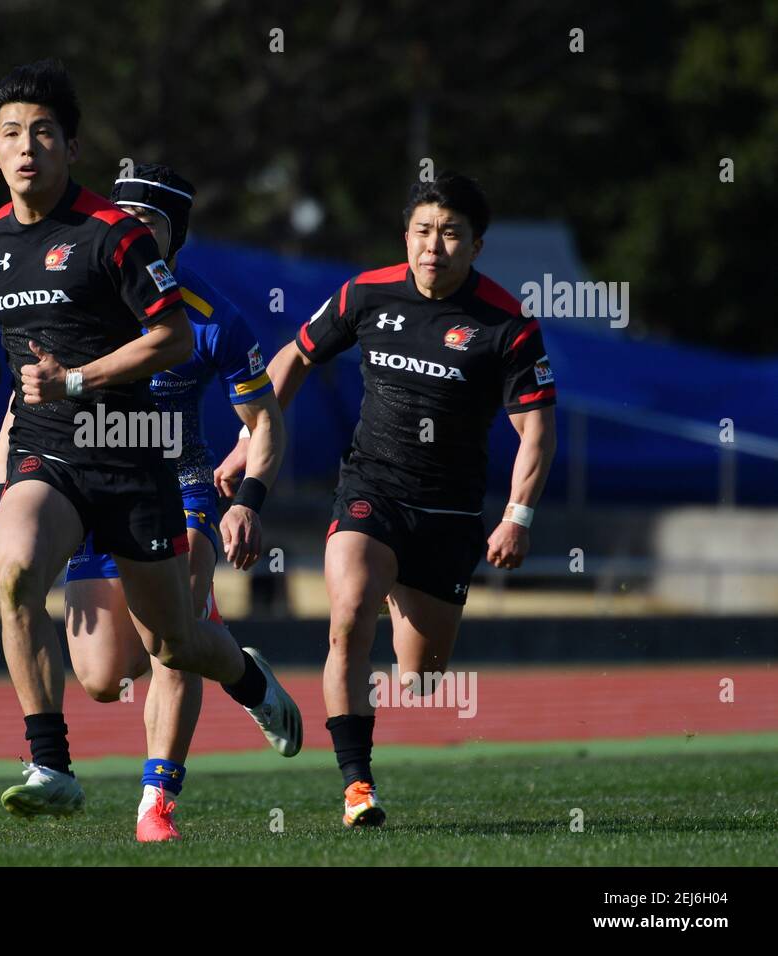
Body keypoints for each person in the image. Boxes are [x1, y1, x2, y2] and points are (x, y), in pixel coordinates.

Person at [0, 60, 301, 822]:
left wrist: (76, 380)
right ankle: (51, 765)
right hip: (46, 453)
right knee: (12, 571)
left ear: (70, 148)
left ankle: (247, 678)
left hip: (135, 457)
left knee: (174, 645)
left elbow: (173, 339)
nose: (26, 147)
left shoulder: (112, 235)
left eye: (43, 133)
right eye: (11, 134)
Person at [217, 172, 557, 827]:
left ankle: (402, 586)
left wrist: (518, 516)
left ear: (476, 246)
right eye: (424, 231)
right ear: (406, 236)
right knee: (347, 618)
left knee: (421, 676)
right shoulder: (365, 293)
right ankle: (357, 787)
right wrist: (246, 439)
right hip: (372, 491)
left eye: (451, 234)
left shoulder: (507, 325)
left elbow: (536, 426)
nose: (435, 247)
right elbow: (293, 357)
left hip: (450, 513)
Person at [0, 163, 291, 841]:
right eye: (122, 216)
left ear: (173, 236)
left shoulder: (213, 319)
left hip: (176, 481)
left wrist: (250, 501)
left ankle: (157, 805)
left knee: (170, 648)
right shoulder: (77, 294)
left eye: (148, 222)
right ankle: (243, 671)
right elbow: (21, 401)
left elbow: (265, 422)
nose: (130, 230)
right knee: (99, 677)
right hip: (81, 473)